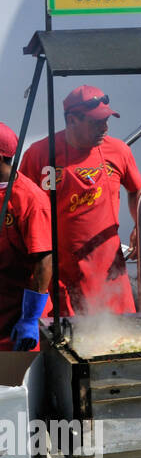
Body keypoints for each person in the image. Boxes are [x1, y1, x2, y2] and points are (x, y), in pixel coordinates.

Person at [19, 86, 141, 315]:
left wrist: (140, 226)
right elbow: (21, 205)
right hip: (62, 268)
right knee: (71, 340)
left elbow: (136, 191)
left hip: (109, 268)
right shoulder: (39, 154)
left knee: (123, 337)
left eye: (106, 120)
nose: (104, 128)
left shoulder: (119, 150)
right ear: (72, 120)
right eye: (96, 122)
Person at [0, 123, 52, 350]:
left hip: (17, 319)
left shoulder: (30, 199)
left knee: (11, 383)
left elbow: (43, 262)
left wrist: (30, 318)